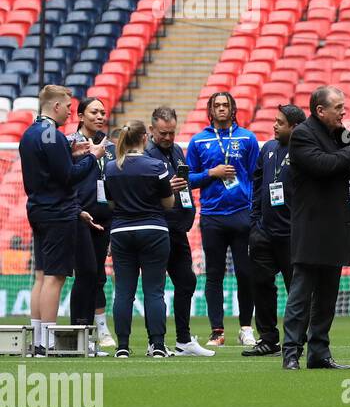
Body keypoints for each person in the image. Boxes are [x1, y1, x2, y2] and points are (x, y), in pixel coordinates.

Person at [281, 86, 350, 371]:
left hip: (337, 228)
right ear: (320, 110)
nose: (343, 112)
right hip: (311, 229)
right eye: (338, 107)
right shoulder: (302, 135)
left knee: (326, 298)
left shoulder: (340, 133)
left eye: (343, 106)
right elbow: (322, 164)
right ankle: (290, 353)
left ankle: (319, 353)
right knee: (300, 295)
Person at [104, 121, 209, 358]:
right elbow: (168, 203)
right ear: (144, 138)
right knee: (154, 291)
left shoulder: (110, 168)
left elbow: (110, 204)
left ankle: (122, 345)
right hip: (153, 230)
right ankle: (158, 345)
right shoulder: (156, 166)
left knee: (123, 292)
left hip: (121, 231)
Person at [20, 85, 105, 355]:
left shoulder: (30, 133)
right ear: (56, 106)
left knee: (41, 275)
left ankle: (36, 336)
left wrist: (74, 155)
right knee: (55, 277)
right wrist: (92, 157)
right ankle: (46, 339)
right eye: (68, 106)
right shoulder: (52, 135)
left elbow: (54, 168)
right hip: (57, 212)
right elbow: (68, 177)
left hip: (37, 208)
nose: (71, 111)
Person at [186, 91, 259, 347]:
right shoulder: (198, 141)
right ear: (210, 109)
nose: (221, 109)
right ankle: (217, 331)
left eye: (225, 105)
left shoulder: (247, 138)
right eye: (216, 105)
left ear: (233, 108)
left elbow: (254, 176)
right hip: (212, 217)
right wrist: (211, 173)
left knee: (245, 273)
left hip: (241, 214)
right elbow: (188, 179)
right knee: (214, 275)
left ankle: (246, 328)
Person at [243, 104, 304, 358]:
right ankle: (268, 339)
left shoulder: (305, 152)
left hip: (294, 234)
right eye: (275, 121)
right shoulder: (267, 148)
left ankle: (297, 340)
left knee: (297, 291)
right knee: (261, 285)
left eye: (280, 122)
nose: (274, 125)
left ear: (295, 127)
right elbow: (257, 183)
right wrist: (255, 220)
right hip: (264, 232)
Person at [146, 107, 199, 355]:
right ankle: (154, 342)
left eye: (171, 132)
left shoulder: (177, 150)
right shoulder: (146, 156)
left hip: (177, 228)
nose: (168, 137)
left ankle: (184, 341)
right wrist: (166, 188)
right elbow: (140, 195)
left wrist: (189, 212)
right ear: (151, 130)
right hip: (156, 228)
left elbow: (185, 185)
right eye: (163, 133)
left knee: (187, 281)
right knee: (155, 287)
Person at [69, 96, 115, 349]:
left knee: (98, 276)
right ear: (80, 116)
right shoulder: (69, 144)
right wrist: (76, 210)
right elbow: (66, 181)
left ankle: (98, 329)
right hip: (80, 217)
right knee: (85, 275)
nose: (100, 116)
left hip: (104, 218)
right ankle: (80, 332)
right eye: (94, 112)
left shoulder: (110, 146)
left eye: (102, 112)